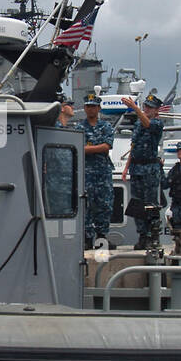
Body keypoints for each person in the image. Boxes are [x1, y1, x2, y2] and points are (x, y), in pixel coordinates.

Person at [121, 93, 165, 249]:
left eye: (150, 107)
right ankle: (142, 235)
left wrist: (134, 108)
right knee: (137, 205)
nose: (146, 109)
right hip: (136, 168)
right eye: (145, 106)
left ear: (156, 110)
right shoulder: (139, 124)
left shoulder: (157, 123)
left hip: (149, 169)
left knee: (151, 204)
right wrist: (126, 168)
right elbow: (134, 147)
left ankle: (152, 236)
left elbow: (148, 124)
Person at [79, 92, 114, 249]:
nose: (91, 109)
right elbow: (78, 147)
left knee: (104, 205)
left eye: (93, 106)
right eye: (88, 106)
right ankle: (86, 238)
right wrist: (96, 148)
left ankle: (102, 237)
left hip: (102, 173)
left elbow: (107, 146)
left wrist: (87, 148)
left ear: (99, 108)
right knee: (85, 204)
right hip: (85, 173)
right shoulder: (79, 127)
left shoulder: (106, 126)